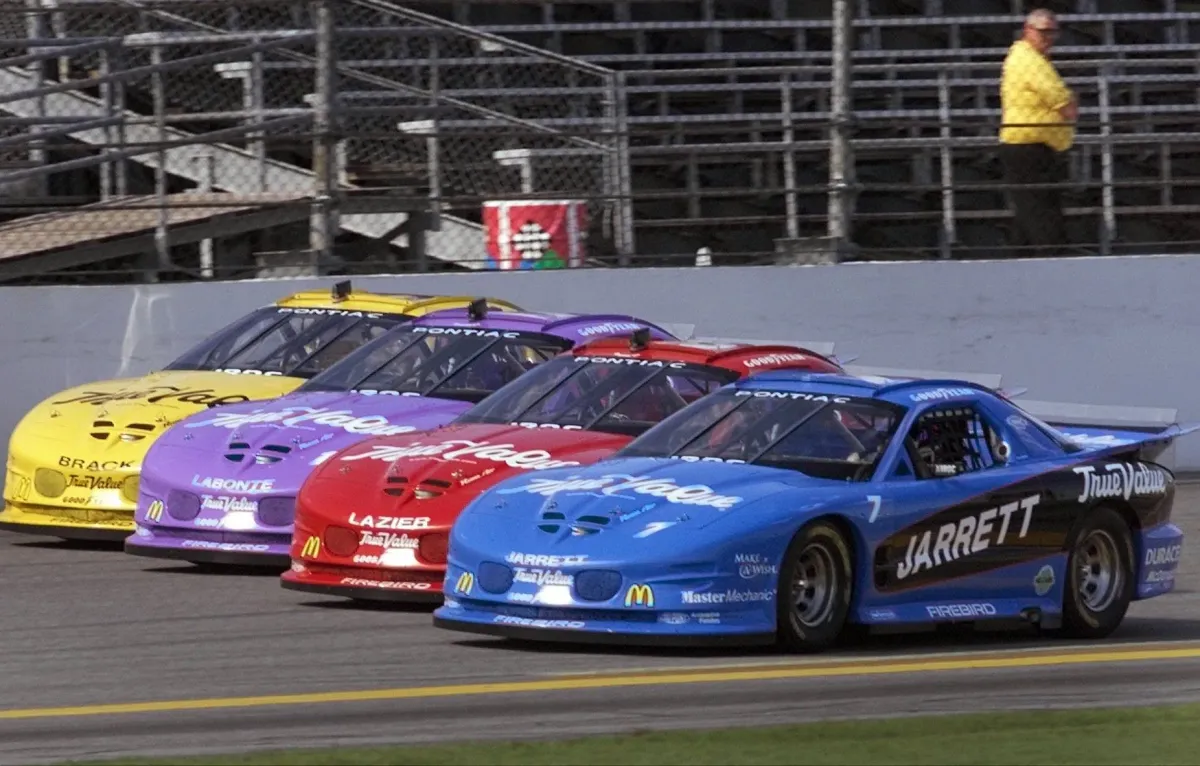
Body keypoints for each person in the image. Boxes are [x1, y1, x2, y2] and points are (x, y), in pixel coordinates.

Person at [998, 8, 1078, 257]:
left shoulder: (1027, 58)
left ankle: (1019, 266)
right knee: (1044, 217)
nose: (1049, 37)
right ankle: (1054, 266)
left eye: (1053, 32)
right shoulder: (1030, 60)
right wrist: (1071, 103)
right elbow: (1063, 102)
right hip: (1030, 148)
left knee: (1028, 217)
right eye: (1043, 32)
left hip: (1031, 147)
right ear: (1028, 31)